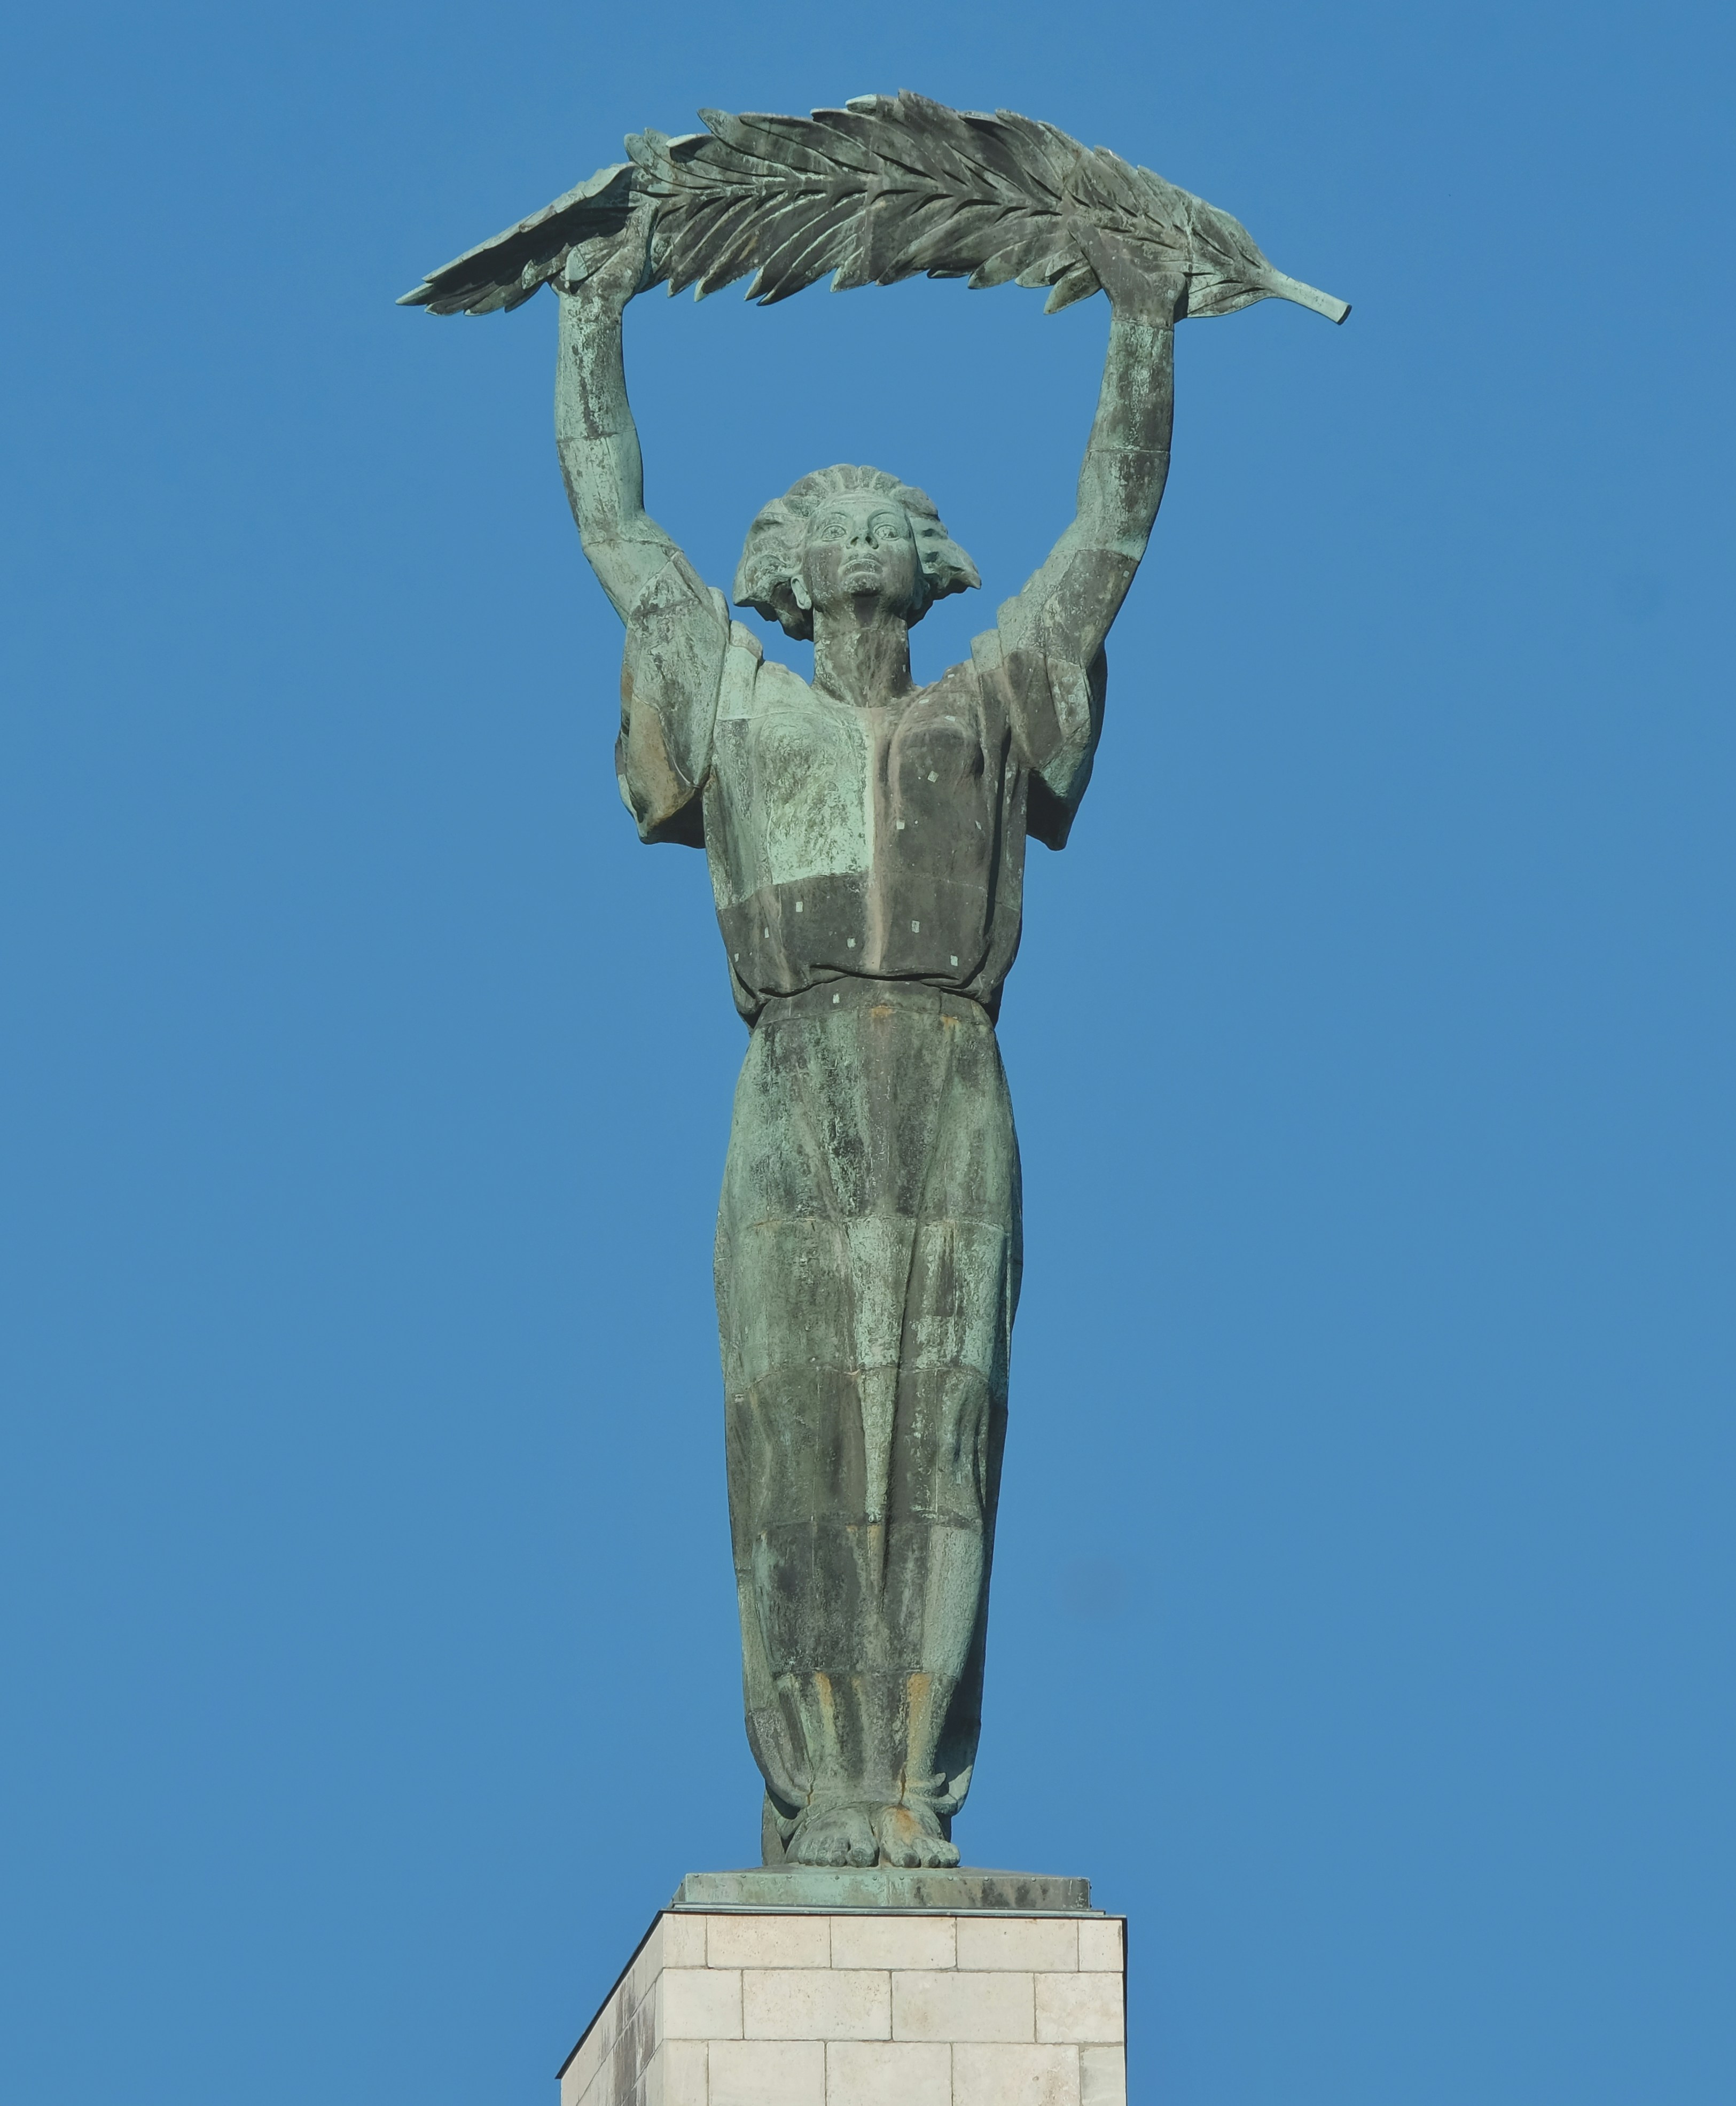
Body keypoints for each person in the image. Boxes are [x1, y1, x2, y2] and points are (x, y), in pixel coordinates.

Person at [556, 209, 1177, 1868]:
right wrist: (592, 315)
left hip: (954, 1071)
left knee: (942, 1419)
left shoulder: (990, 707)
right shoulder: (736, 704)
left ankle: (905, 1784)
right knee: (798, 1429)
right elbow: (614, 525)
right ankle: (817, 1788)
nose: (857, 527)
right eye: (826, 520)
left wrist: (1143, 327)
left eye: (885, 516)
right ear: (780, 574)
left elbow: (1109, 535)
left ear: (926, 559)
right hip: (799, 1072)